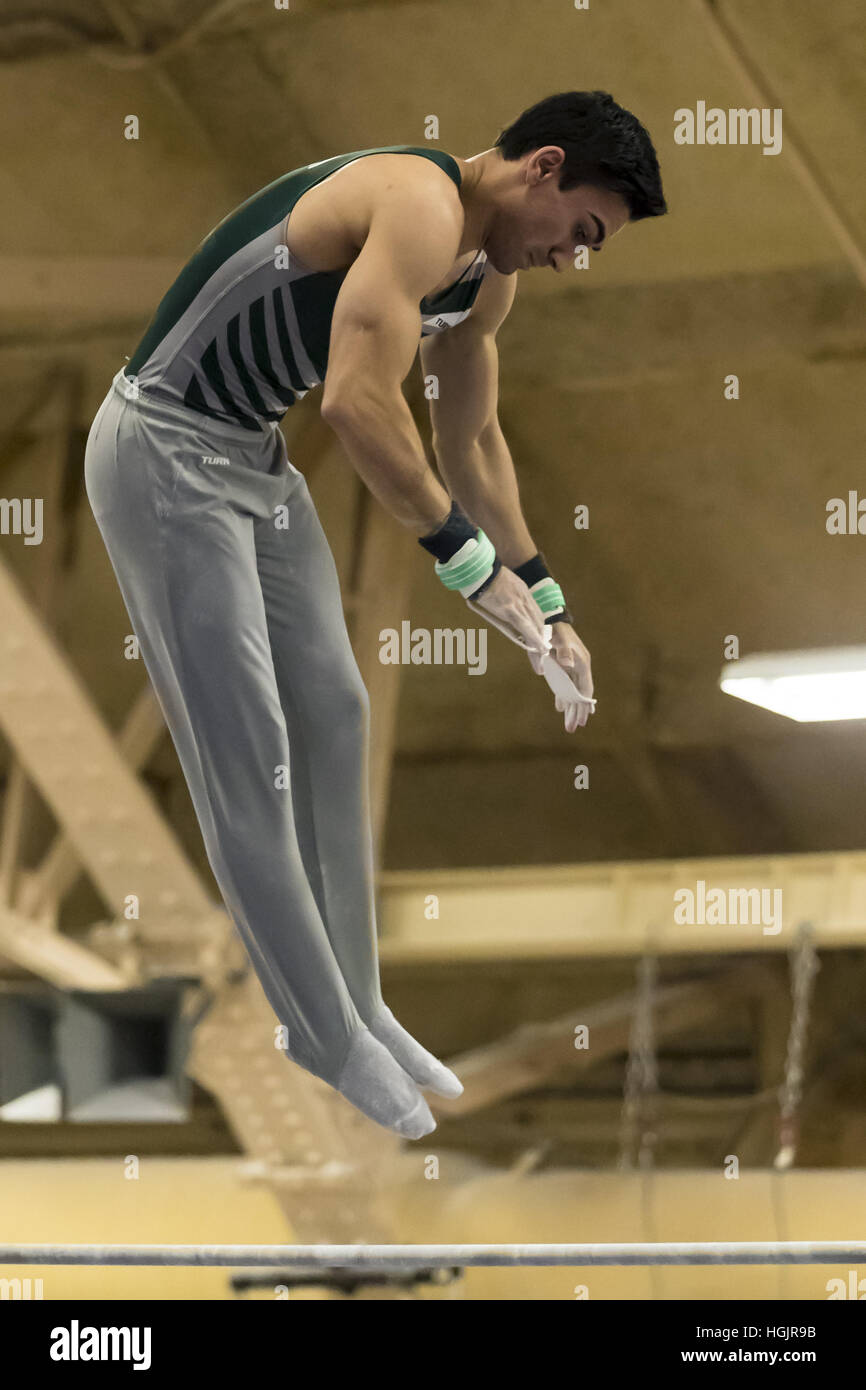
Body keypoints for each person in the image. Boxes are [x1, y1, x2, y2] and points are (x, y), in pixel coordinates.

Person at [84, 91, 667, 1139]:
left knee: (338, 713)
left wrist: (542, 596)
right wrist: (462, 564)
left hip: (248, 457)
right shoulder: (416, 206)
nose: (575, 259)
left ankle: (359, 1002)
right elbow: (356, 400)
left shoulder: (485, 278)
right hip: (160, 447)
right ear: (541, 168)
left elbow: (472, 443)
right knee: (248, 746)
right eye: (580, 233)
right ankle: (317, 1028)